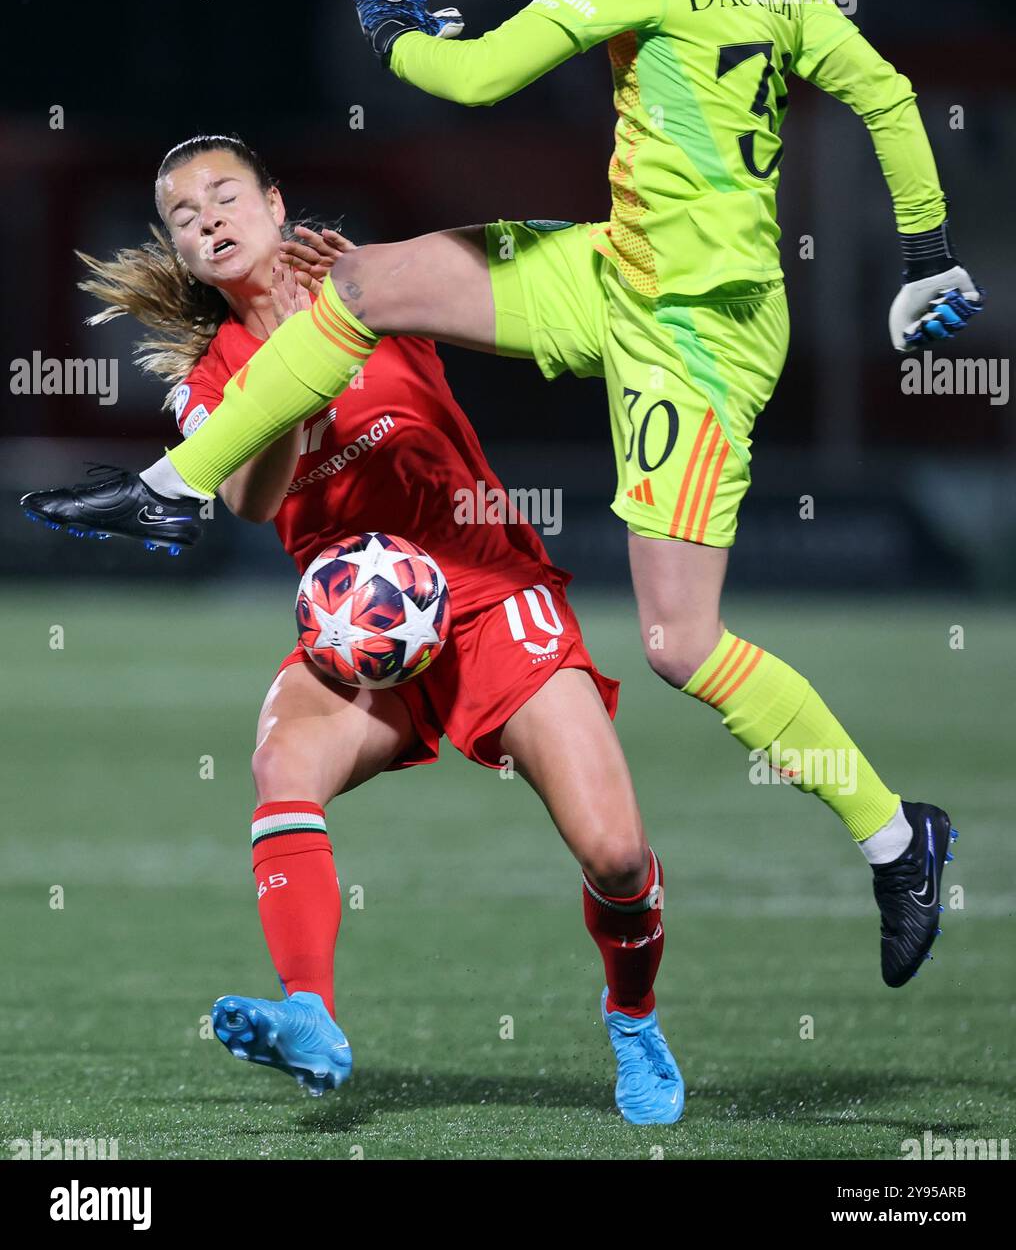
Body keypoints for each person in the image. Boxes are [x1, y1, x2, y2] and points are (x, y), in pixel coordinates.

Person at [24, 0, 972, 988]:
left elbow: (472, 80)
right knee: (365, 283)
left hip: (697, 339)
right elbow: (886, 95)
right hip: (617, 267)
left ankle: (892, 838)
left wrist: (398, 38)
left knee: (679, 644)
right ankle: (175, 489)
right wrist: (924, 254)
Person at [66, 133, 684, 1125]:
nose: (209, 220)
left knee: (614, 855)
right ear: (181, 253)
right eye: (185, 217)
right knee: (281, 762)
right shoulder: (209, 376)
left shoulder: (370, 286)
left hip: (485, 591)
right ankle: (309, 1012)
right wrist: (286, 397)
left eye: (225, 196)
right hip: (360, 632)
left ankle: (632, 1016)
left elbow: (510, 287)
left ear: (275, 204)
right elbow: (249, 499)